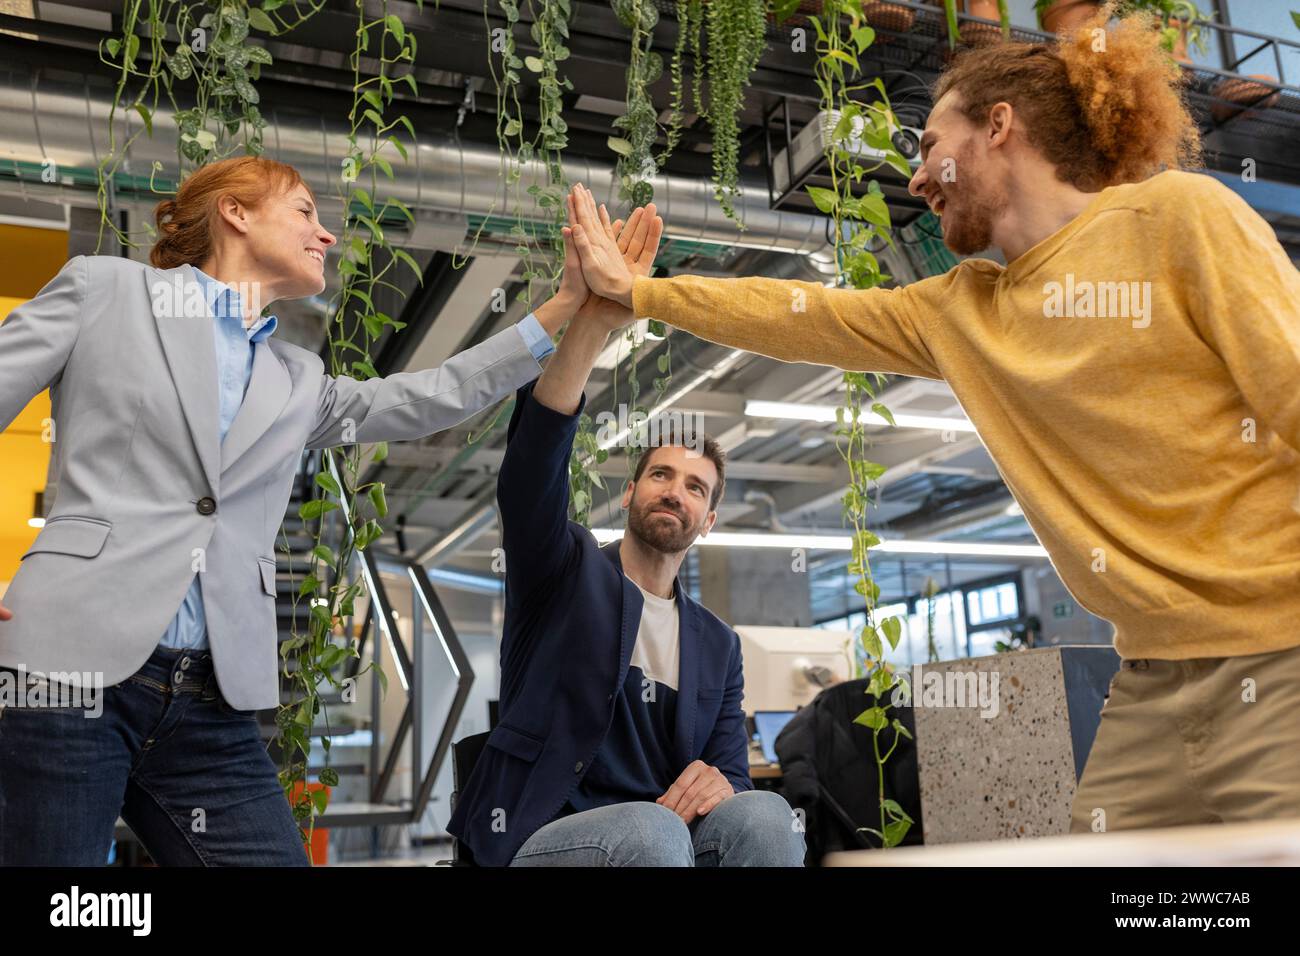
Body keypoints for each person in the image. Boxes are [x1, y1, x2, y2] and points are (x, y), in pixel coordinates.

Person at [566, 7, 1300, 834]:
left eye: (926, 146)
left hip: (1280, 661)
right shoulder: (962, 309)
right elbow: (804, 314)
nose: (915, 180)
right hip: (1151, 681)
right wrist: (640, 294)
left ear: (998, 127)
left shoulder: (1176, 218)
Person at [0, 155, 590, 865]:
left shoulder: (297, 378)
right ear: (235, 211)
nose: (327, 235)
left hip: (211, 697)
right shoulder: (107, 292)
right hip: (68, 667)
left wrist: (566, 305)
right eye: (306, 211)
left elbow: (434, 394)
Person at [447, 195, 806, 867]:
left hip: (661, 841)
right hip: (542, 833)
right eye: (661, 475)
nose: (676, 491)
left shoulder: (717, 645)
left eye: (696, 487)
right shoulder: (563, 568)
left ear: (709, 520)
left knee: (767, 817)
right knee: (651, 831)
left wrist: (721, 781)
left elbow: (727, 766)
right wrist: (593, 325)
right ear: (628, 496)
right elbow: (531, 473)